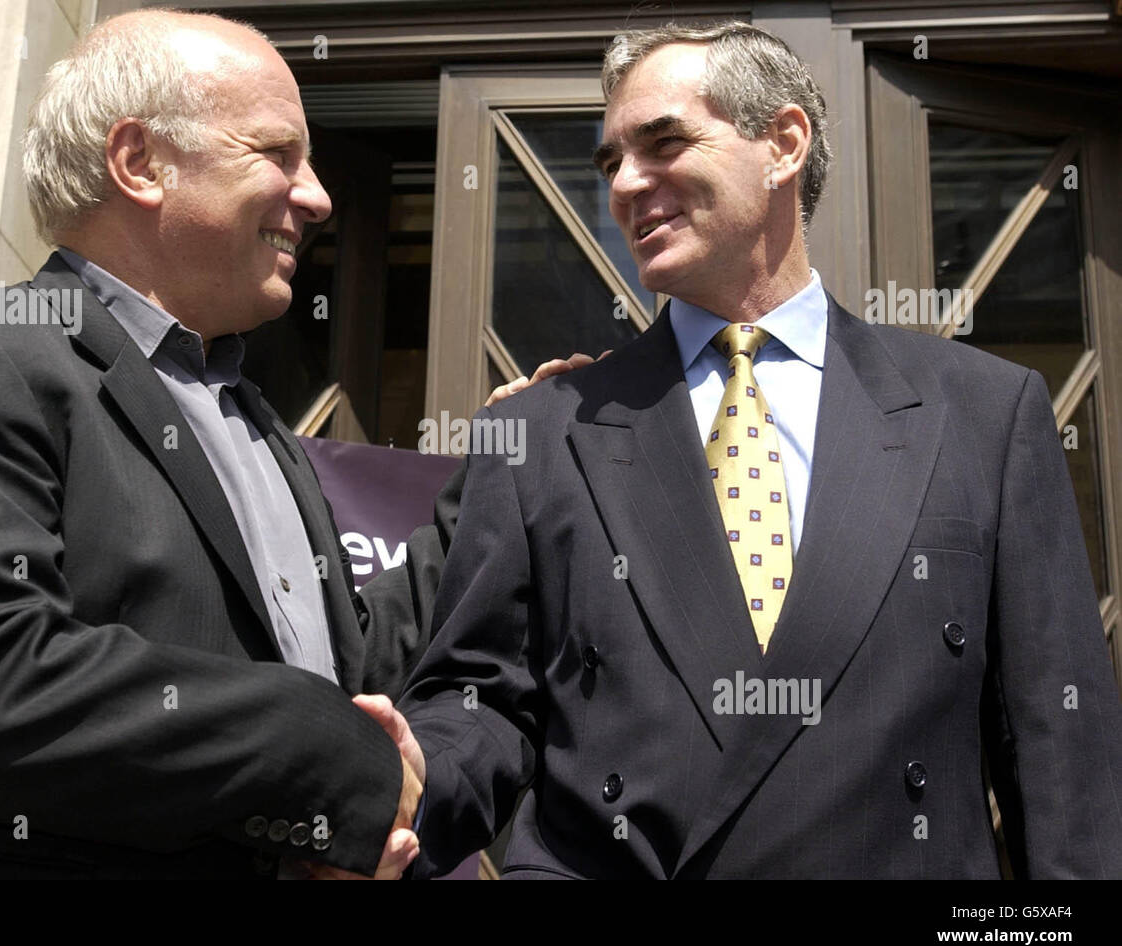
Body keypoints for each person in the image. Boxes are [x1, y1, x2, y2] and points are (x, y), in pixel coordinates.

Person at [0, 9, 581, 880]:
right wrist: (328, 758)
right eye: (278, 154)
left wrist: (495, 467)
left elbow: (350, 669)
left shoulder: (260, 427)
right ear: (140, 163)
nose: (321, 197)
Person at [393, 21, 1122, 878]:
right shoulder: (541, 429)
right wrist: (398, 787)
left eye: (663, 143)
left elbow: (1058, 749)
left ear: (782, 144)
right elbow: (480, 703)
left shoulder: (983, 413)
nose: (626, 184)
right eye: (611, 162)